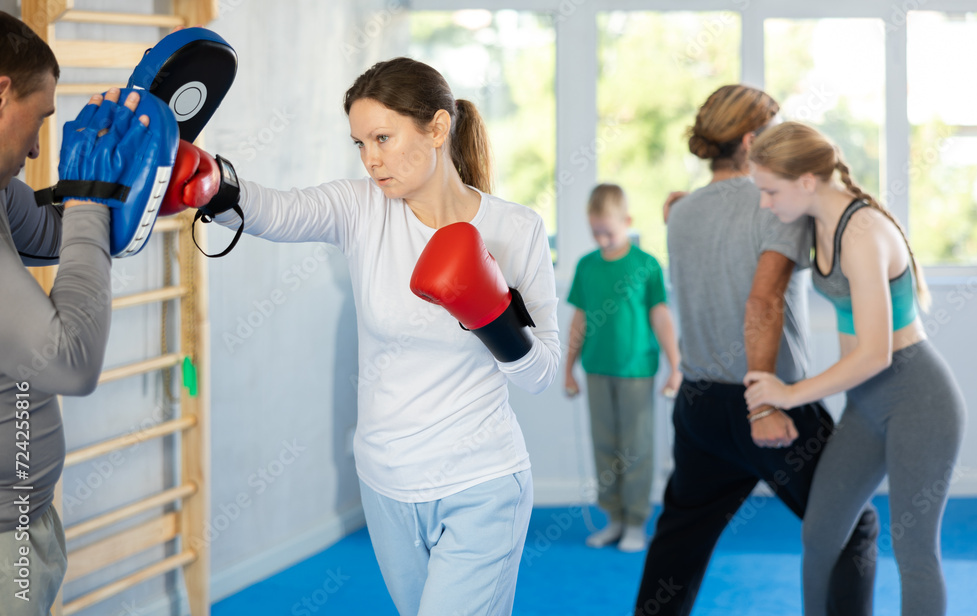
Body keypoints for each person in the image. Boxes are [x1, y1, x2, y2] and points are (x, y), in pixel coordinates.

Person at [161, 57, 559, 616]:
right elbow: (278, 210)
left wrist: (489, 314)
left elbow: (543, 373)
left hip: (481, 481)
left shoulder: (516, 228)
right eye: (359, 143)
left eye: (383, 138)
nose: (371, 159)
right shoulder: (360, 208)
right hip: (386, 480)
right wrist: (209, 182)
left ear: (438, 128)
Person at [633, 85, 879, 616]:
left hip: (699, 407)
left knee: (680, 541)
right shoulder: (777, 202)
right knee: (852, 527)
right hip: (765, 401)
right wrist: (764, 404)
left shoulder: (681, 212)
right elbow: (763, 301)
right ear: (752, 139)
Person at [745, 121, 966, 616]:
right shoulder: (812, 220)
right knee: (819, 533)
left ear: (806, 181)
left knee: (914, 551)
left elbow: (874, 354)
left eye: (769, 191)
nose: (765, 202)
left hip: (920, 399)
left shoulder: (862, 231)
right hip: (866, 404)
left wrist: (787, 393)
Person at [0, 11, 152, 616]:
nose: (39, 146)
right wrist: (92, 196)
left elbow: (66, 231)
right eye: (39, 119)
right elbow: (69, 362)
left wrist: (140, 178)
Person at [563, 183, 681, 553]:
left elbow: (660, 316)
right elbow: (579, 320)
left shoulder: (646, 266)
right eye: (595, 231)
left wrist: (676, 367)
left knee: (636, 446)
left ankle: (635, 521)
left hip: (637, 371)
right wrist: (568, 368)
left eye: (608, 232)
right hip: (596, 368)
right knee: (604, 445)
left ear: (627, 222)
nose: (601, 239)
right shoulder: (586, 266)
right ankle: (613, 517)